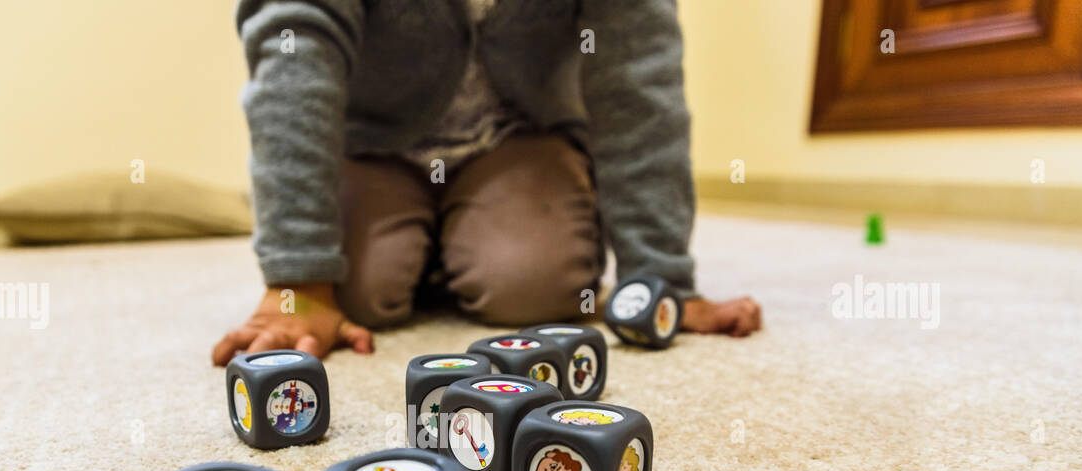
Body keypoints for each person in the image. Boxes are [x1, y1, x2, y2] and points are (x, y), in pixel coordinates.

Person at [213, 0, 762, 367]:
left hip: (517, 138)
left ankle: (447, 246)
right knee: (360, 292)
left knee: (535, 285)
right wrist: (299, 280)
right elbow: (294, 43)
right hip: (375, 144)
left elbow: (637, 75)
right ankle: (433, 247)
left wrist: (661, 278)